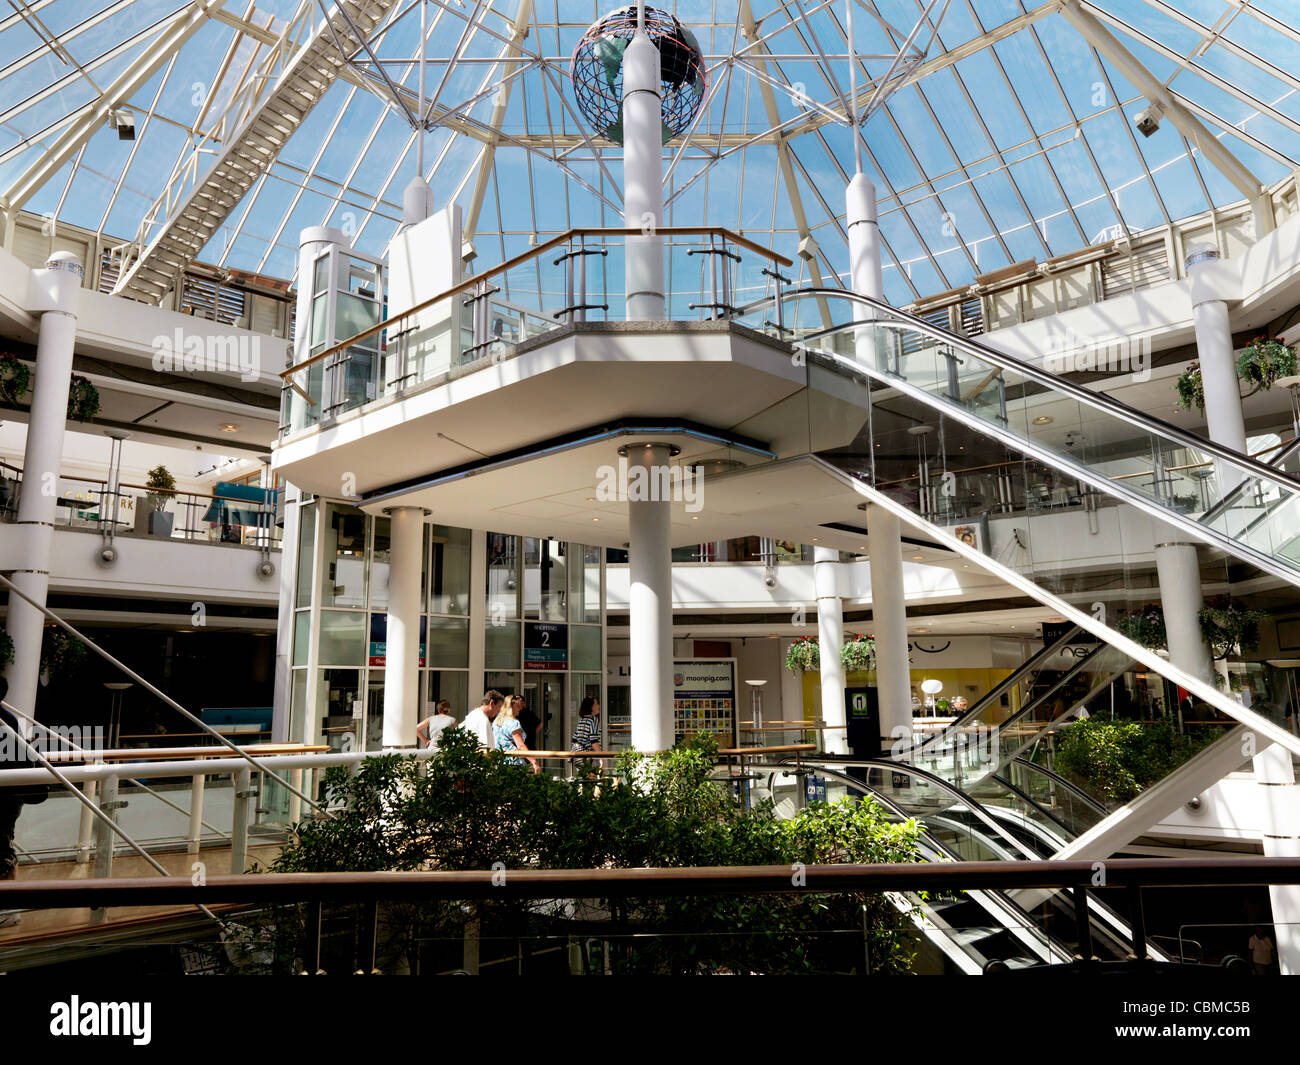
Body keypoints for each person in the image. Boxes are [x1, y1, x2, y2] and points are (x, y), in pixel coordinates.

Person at [493, 697, 540, 773]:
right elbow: (521, 746)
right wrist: (534, 762)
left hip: (499, 762)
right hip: (513, 764)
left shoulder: (496, 722)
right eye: (517, 706)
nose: (520, 708)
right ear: (511, 707)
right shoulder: (513, 723)